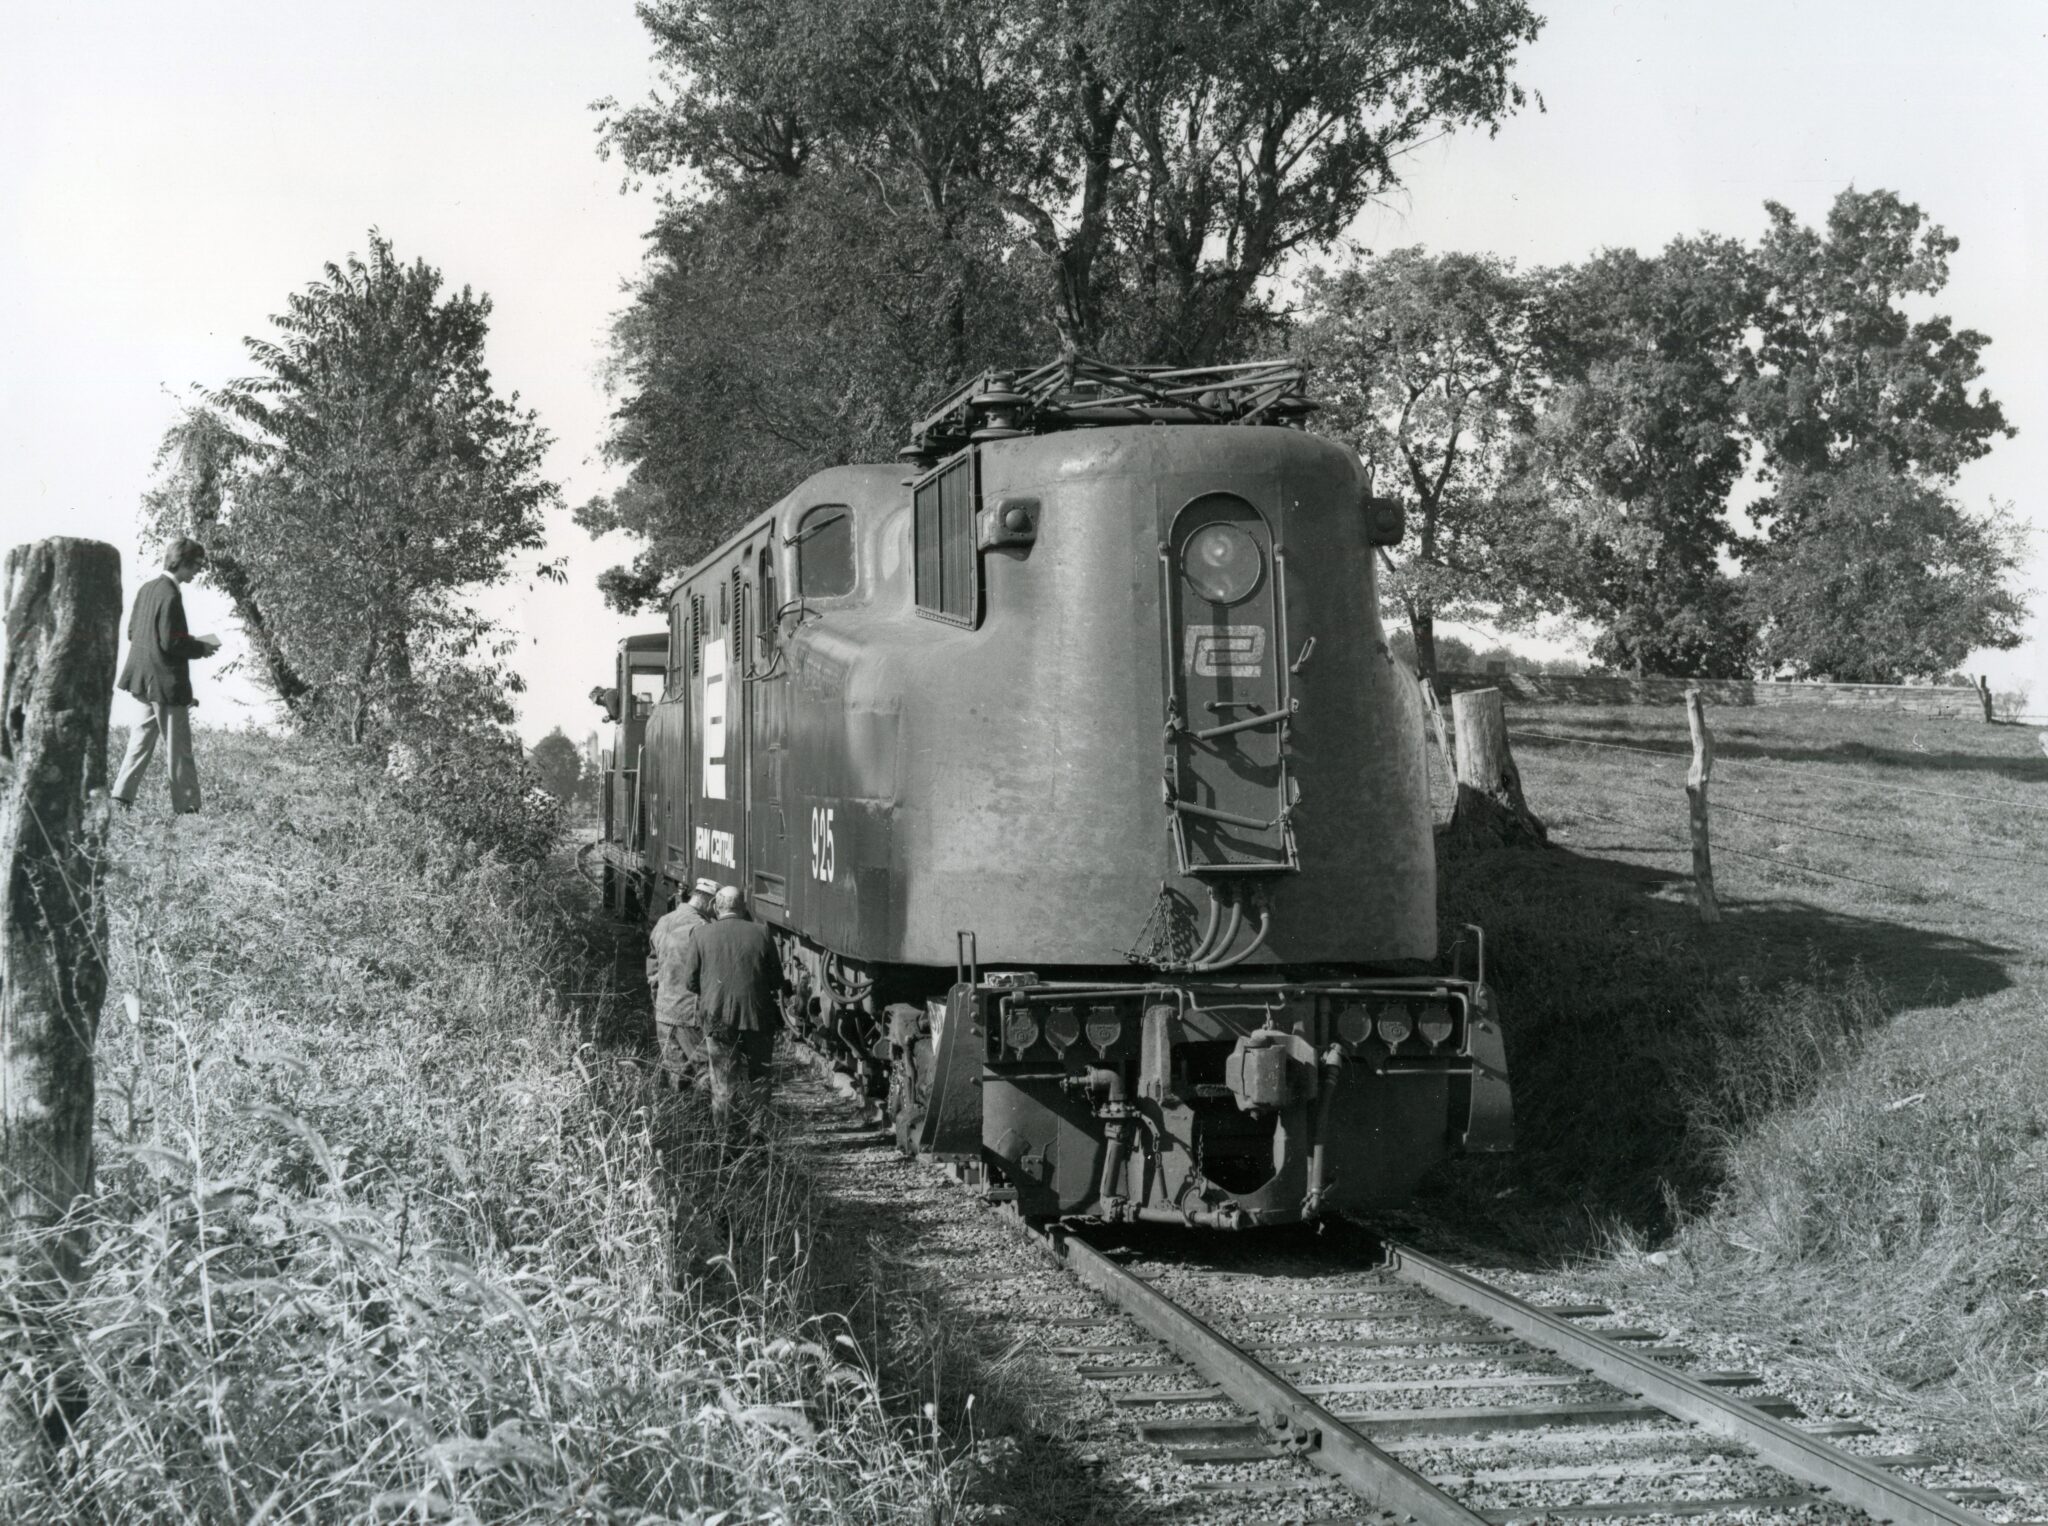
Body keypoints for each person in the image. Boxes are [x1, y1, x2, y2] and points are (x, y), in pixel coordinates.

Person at [112, 537, 220, 814]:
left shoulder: (147, 589)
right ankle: (188, 810)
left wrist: (188, 641)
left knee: (140, 739)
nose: (198, 572)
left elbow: (134, 633)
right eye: (196, 565)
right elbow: (171, 643)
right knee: (179, 749)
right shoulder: (171, 594)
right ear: (182, 562)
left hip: (143, 679)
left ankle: (121, 799)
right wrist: (201, 647)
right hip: (165, 682)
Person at [678, 885, 787, 1123]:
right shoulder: (762, 933)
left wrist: (711, 994)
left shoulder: (700, 935)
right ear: (745, 907)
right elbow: (776, 980)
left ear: (716, 907)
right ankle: (757, 1133)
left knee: (722, 1082)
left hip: (718, 1020)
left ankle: (724, 1142)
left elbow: (690, 982)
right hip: (757, 1018)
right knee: (760, 1078)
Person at [647, 878, 718, 1087]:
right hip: (689, 1014)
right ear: (710, 902)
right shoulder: (702, 929)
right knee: (706, 1074)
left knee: (676, 1077)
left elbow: (652, 968)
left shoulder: (664, 921)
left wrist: (657, 999)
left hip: (663, 1011)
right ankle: (706, 1119)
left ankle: (681, 1119)